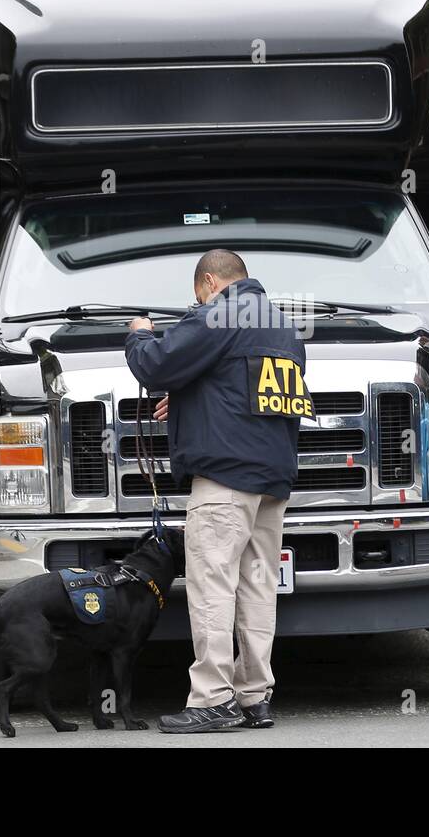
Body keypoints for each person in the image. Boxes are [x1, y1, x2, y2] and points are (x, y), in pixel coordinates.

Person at [125, 249, 306, 732]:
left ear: (209, 282)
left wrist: (139, 335)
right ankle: (254, 697)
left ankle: (212, 699)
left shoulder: (220, 312)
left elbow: (156, 365)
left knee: (212, 585)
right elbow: (246, 389)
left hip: (225, 478)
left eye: (197, 296)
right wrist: (187, 401)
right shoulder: (280, 323)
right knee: (257, 587)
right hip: (271, 479)